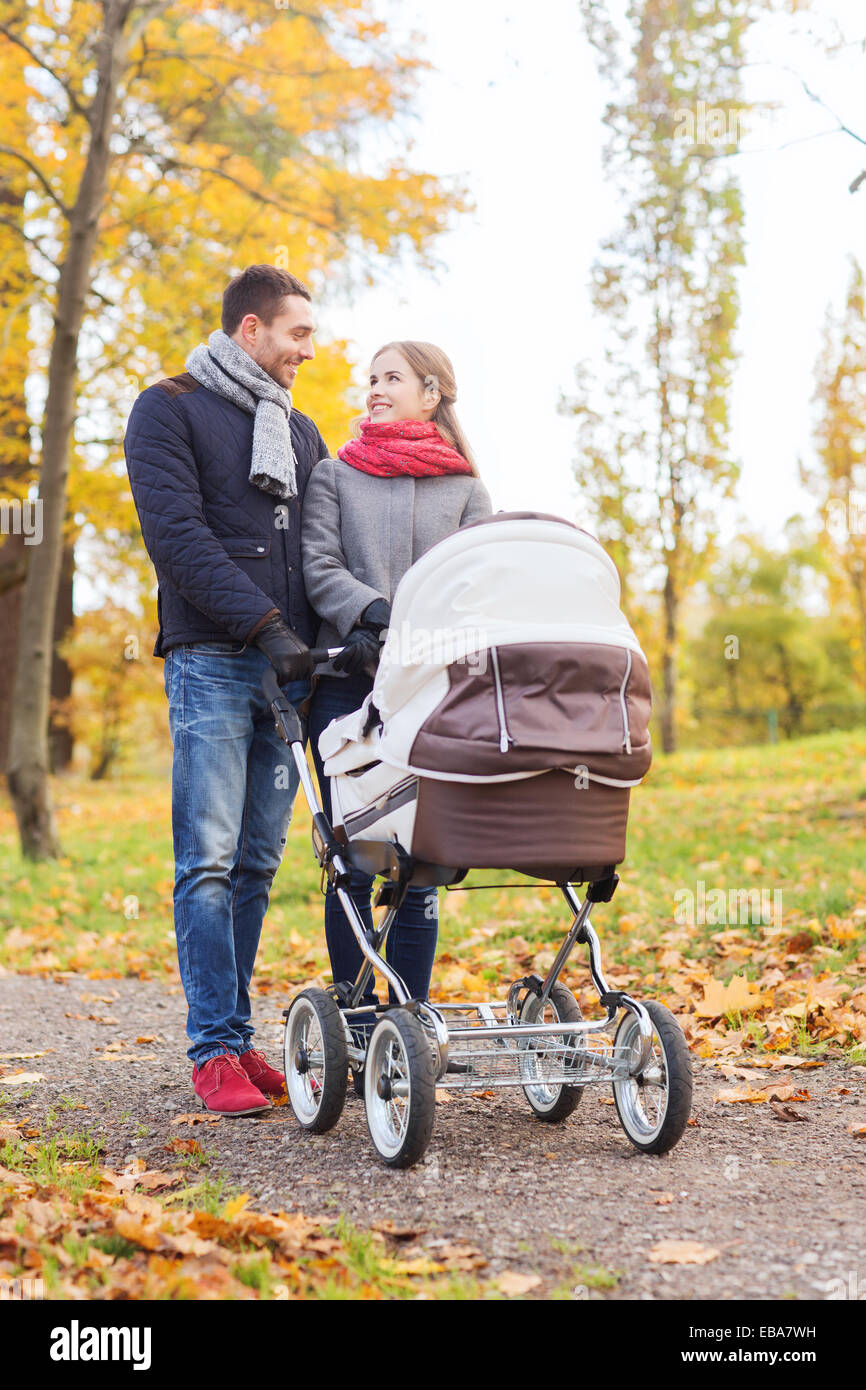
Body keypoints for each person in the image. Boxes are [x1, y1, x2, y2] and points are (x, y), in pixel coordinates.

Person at [125, 265, 327, 1116]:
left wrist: (323, 642)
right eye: (297, 335)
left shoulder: (302, 432)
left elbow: (320, 549)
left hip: (288, 676)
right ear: (251, 330)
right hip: (213, 659)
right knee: (205, 862)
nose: (307, 353)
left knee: (255, 863)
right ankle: (211, 1048)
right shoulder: (167, 409)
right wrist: (264, 626)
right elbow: (179, 541)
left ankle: (239, 1041)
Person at [303, 340, 492, 1051]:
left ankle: (408, 1023)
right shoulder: (334, 473)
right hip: (348, 688)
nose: (375, 389)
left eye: (391, 379)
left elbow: (476, 583)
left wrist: (424, 636)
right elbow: (317, 564)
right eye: (371, 378)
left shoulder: (467, 489)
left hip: (427, 694)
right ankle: (353, 1022)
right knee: (351, 857)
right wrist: (373, 614)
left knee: (420, 859)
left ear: (432, 393)